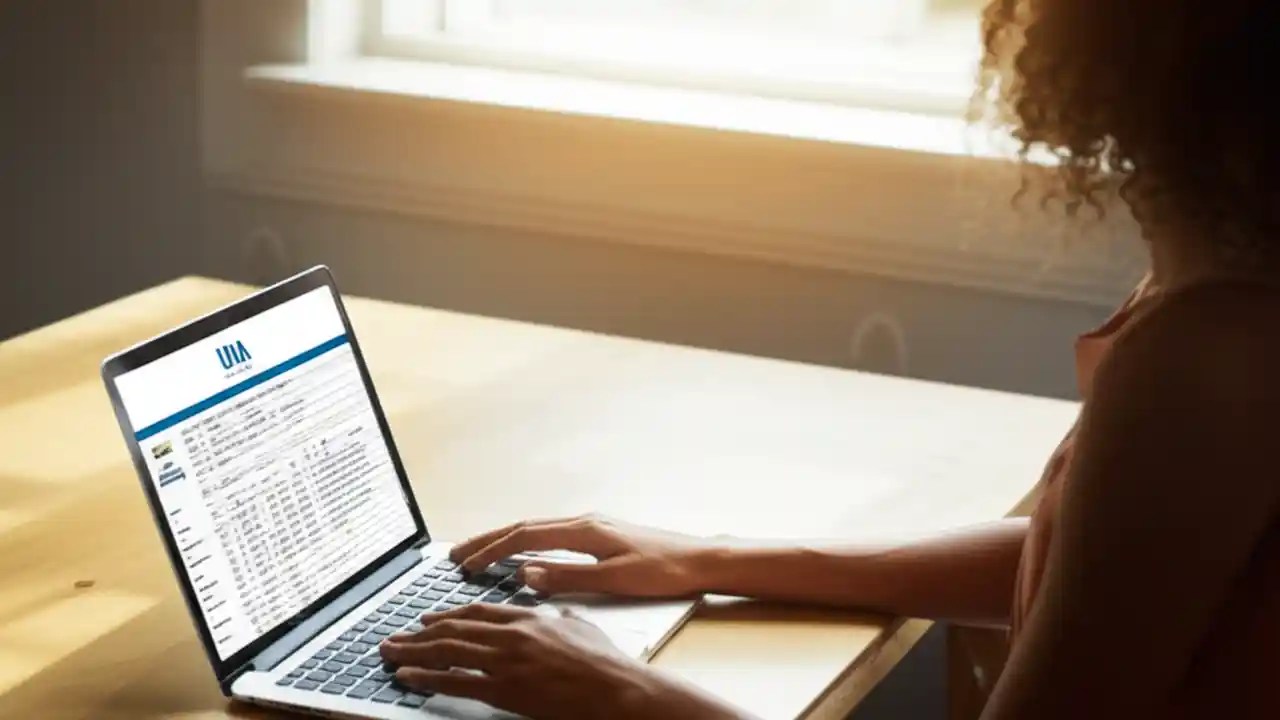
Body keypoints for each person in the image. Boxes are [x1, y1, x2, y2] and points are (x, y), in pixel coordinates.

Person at [380, 1, 1280, 717]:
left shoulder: (1210, 354)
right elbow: (1095, 567)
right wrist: (717, 558)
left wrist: (619, 692)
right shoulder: (1220, 267)